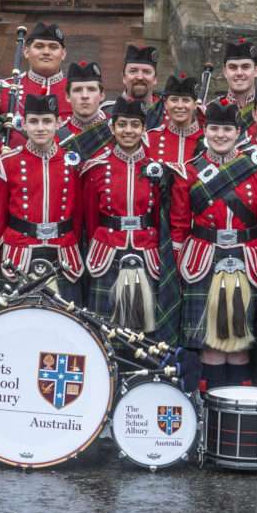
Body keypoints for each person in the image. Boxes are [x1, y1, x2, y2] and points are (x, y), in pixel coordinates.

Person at [169, 98, 257, 389]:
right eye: (215, 128)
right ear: (206, 130)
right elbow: (179, 227)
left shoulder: (256, 169)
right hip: (202, 260)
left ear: (238, 133)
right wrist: (177, 269)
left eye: (227, 130)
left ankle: (235, 418)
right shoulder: (188, 172)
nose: (220, 135)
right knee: (211, 345)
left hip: (248, 259)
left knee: (240, 345)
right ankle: (210, 414)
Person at [78, 99, 180, 340]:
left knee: (145, 332)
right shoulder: (96, 169)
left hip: (146, 251)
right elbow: (90, 220)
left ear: (143, 129)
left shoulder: (157, 169)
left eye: (135, 125)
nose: (128, 131)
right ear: (112, 128)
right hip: (107, 253)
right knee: (104, 328)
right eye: (122, 125)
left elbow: (159, 217)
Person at [0, 94, 84, 300]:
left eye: (47, 121)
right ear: (24, 125)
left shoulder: (73, 163)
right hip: (19, 251)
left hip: (63, 251)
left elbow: (79, 214)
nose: (40, 128)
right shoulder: (7, 163)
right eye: (34, 121)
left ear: (58, 123)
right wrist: (4, 249)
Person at [1, 22, 67, 126]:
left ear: (63, 54)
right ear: (26, 52)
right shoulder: (6, 88)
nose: (46, 52)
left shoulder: (76, 91)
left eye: (53, 47)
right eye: (39, 46)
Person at [146, 71, 203, 167]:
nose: (180, 106)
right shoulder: (150, 138)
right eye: (174, 100)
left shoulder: (206, 138)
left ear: (195, 105)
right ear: (165, 104)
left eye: (186, 100)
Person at [58, 60, 113, 159]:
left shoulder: (113, 133)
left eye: (91, 89)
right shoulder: (57, 137)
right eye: (77, 90)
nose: (84, 96)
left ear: (102, 95)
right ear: (67, 96)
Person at [104, 44, 164, 129]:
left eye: (146, 72)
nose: (140, 77)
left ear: (155, 79)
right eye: (133, 71)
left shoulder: (167, 112)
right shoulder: (106, 112)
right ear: (124, 77)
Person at [220, 38, 257, 126]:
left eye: (245, 67)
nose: (239, 73)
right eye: (233, 67)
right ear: (225, 72)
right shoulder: (210, 110)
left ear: (256, 71)